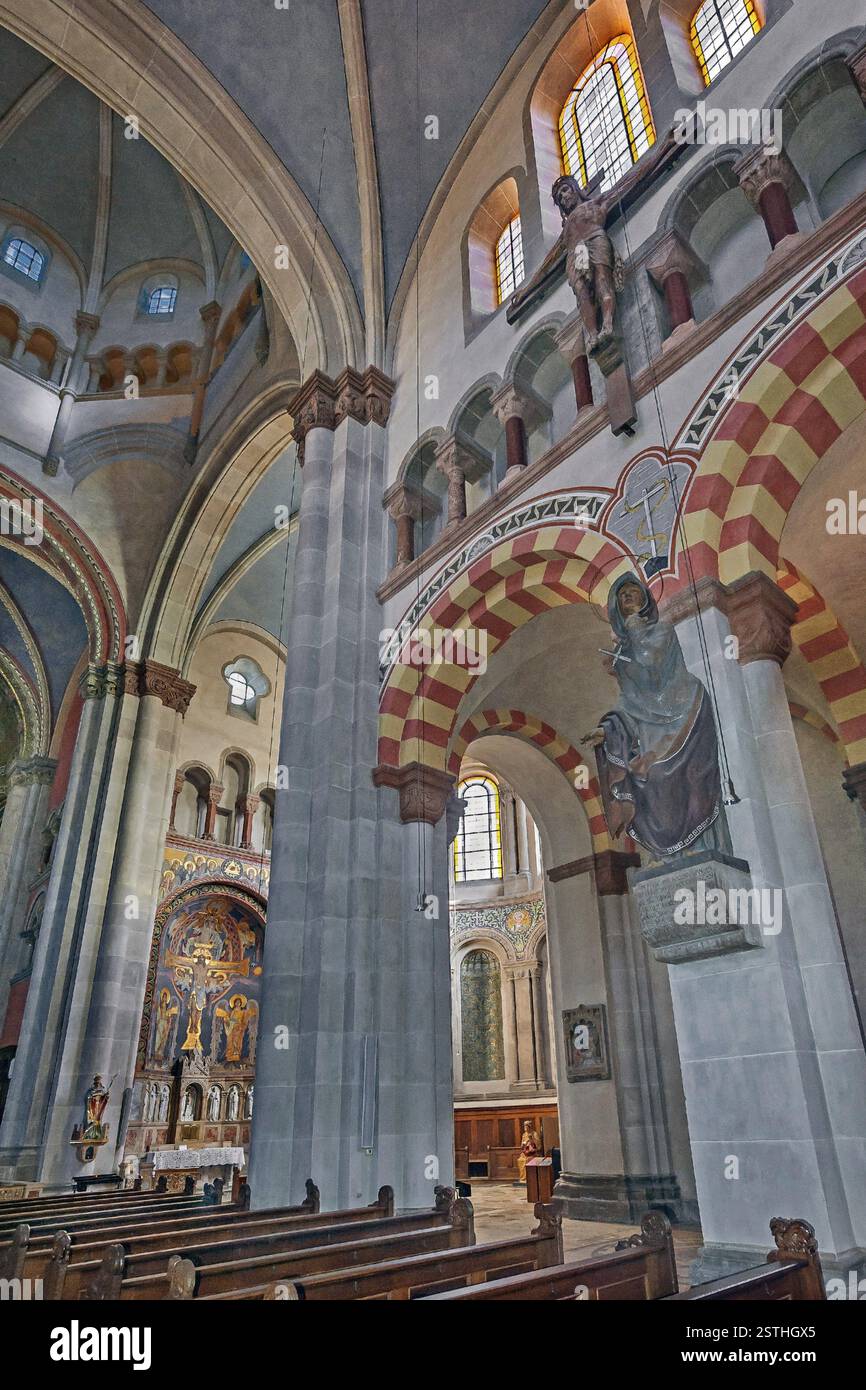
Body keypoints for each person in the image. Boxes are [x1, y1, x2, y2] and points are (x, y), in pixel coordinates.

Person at [583, 572, 731, 862]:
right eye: (621, 594)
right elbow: (629, 698)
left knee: (671, 772)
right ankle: (669, 854)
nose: (627, 596)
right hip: (648, 724)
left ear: (645, 599)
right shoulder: (623, 651)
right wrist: (607, 730)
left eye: (632, 592)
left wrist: (634, 624)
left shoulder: (661, 630)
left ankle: (699, 846)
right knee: (645, 778)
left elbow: (651, 660)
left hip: (683, 709)